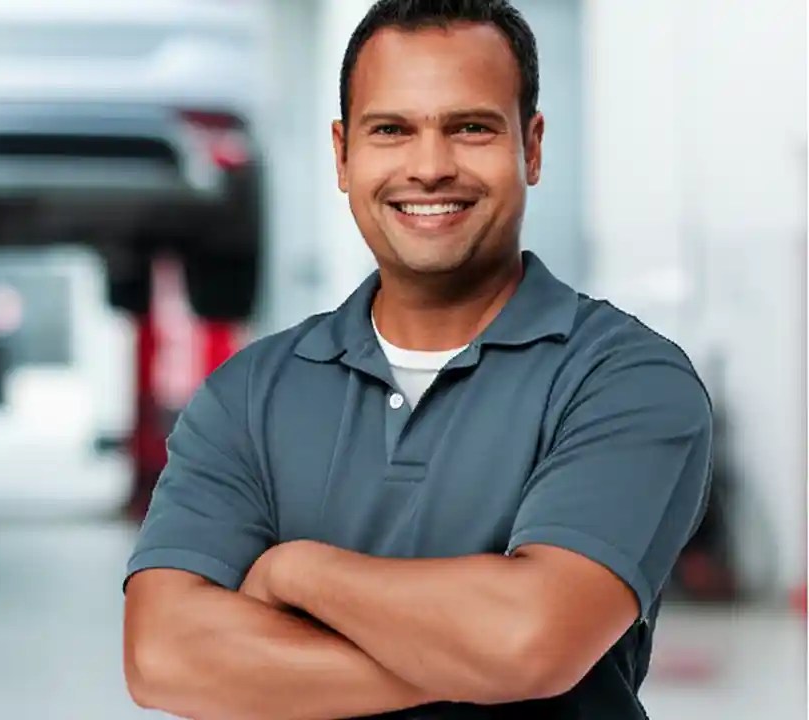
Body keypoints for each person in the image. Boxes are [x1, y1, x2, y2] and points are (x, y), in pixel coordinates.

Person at [121, 1, 712, 718]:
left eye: (470, 128)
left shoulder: (624, 381)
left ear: (531, 146)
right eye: (392, 130)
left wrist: (298, 571)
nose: (430, 168)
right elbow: (165, 657)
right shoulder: (248, 395)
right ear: (343, 155)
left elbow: (531, 640)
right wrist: (475, 661)